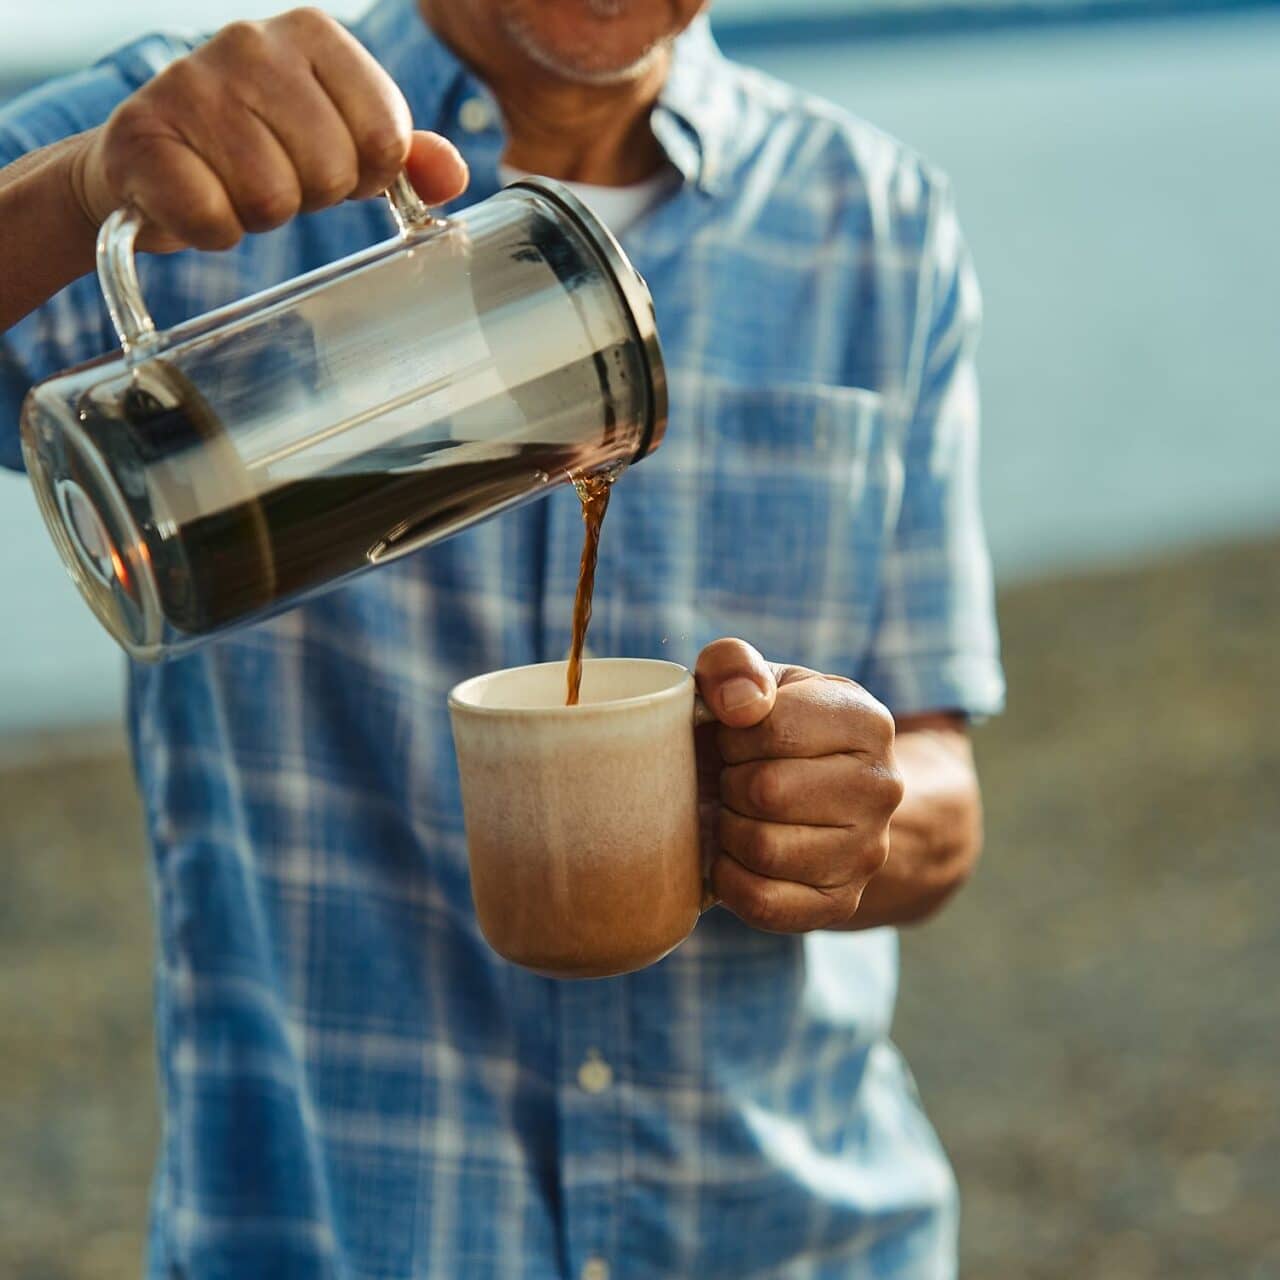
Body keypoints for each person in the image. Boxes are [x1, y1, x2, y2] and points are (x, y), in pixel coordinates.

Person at [0, 2, 1004, 1276]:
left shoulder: (875, 218)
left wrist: (832, 807)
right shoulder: (184, 142)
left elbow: (938, 783)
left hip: (796, 1236)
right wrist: (75, 186)